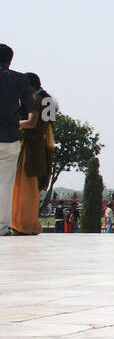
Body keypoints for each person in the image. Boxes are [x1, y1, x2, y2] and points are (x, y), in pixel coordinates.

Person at [8, 73, 54, 236]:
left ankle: (22, 224)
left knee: (23, 188)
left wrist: (11, 123)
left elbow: (31, 123)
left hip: (28, 148)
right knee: (33, 189)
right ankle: (30, 223)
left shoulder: (35, 100)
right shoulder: (49, 100)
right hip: (41, 148)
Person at [0, 45, 36, 236]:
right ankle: (1, 228)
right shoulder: (20, 79)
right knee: (4, 185)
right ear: (10, 60)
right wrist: (15, 122)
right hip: (9, 139)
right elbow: (31, 116)